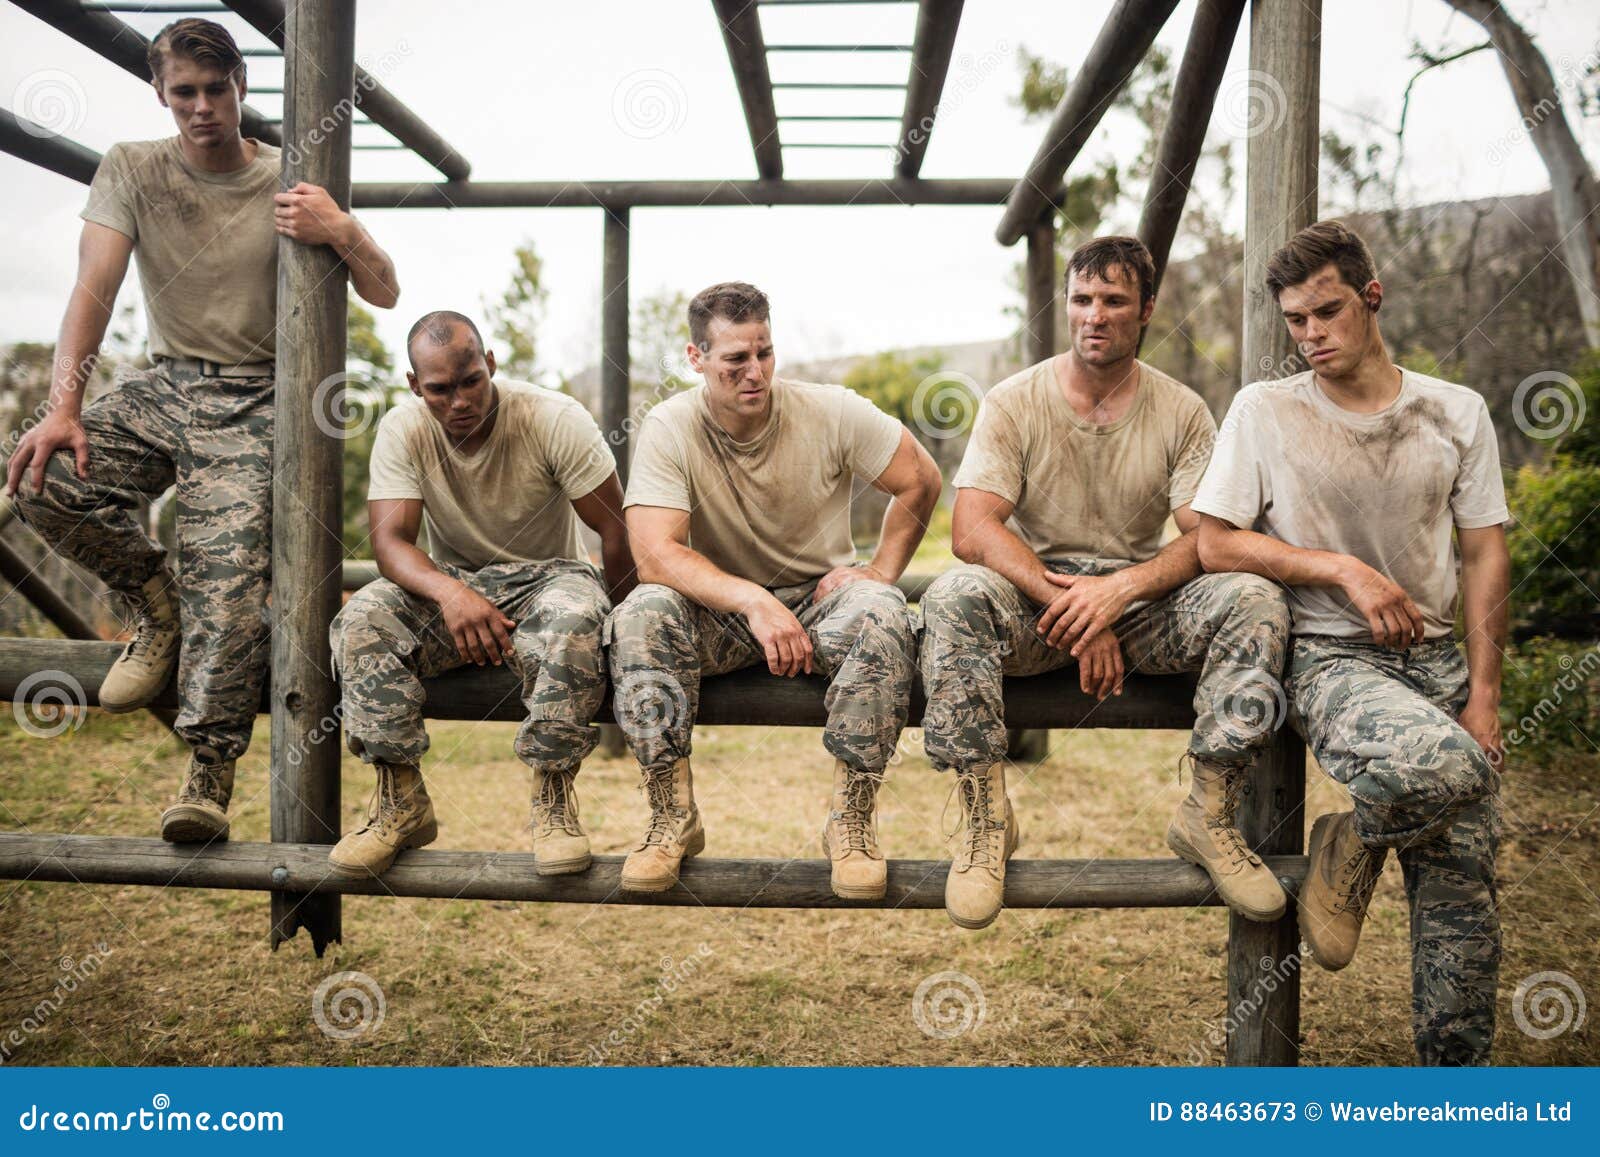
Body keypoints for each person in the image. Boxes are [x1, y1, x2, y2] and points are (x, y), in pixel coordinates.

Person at [5, 17, 400, 843]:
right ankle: (154, 601)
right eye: (183, 91)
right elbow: (92, 290)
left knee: (227, 584)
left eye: (215, 89)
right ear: (160, 93)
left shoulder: (290, 179)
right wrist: (63, 406)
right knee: (41, 478)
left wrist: (344, 230)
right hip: (164, 384)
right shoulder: (133, 168)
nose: (201, 106)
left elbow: (387, 291)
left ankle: (208, 773)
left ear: (240, 89)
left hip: (259, 400)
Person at [1192, 219, 1509, 1065]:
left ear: (1372, 297)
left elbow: (1483, 553)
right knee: (1447, 770)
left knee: (1465, 903)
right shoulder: (1265, 410)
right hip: (1334, 657)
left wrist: (1483, 694)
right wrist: (1340, 569)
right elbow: (1214, 540)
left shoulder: (1455, 411)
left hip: (1440, 661)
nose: (1311, 335)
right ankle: (1360, 834)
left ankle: (1458, 1090)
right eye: (1296, 321)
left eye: (1326, 312)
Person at [920, 236, 1293, 930]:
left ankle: (1209, 812)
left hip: (1141, 607)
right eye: (1082, 299)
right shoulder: (1014, 400)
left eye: (1114, 300)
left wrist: (1119, 594)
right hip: (1040, 604)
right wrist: (1072, 603)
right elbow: (972, 527)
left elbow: (1204, 538)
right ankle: (984, 819)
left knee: (1255, 598)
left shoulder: (1181, 410)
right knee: (951, 595)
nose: (1095, 315)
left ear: (1146, 309)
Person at [607, 282, 941, 897]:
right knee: (643, 613)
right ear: (696, 357)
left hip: (819, 601)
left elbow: (919, 477)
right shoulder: (669, 426)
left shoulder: (831, 409)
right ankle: (669, 815)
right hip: (722, 610)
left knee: (882, 610)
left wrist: (881, 572)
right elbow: (654, 554)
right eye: (735, 359)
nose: (754, 372)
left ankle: (853, 820)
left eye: (764, 352)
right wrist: (753, 601)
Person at [327, 312, 632, 877]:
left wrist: (624, 634)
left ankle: (553, 798)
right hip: (458, 581)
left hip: (550, 577)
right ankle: (400, 800)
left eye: (471, 380)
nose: (460, 401)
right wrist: (450, 593)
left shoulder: (553, 417)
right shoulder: (404, 428)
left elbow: (615, 529)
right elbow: (391, 544)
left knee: (576, 615)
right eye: (441, 390)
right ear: (416, 386)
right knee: (363, 617)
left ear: (489, 364)